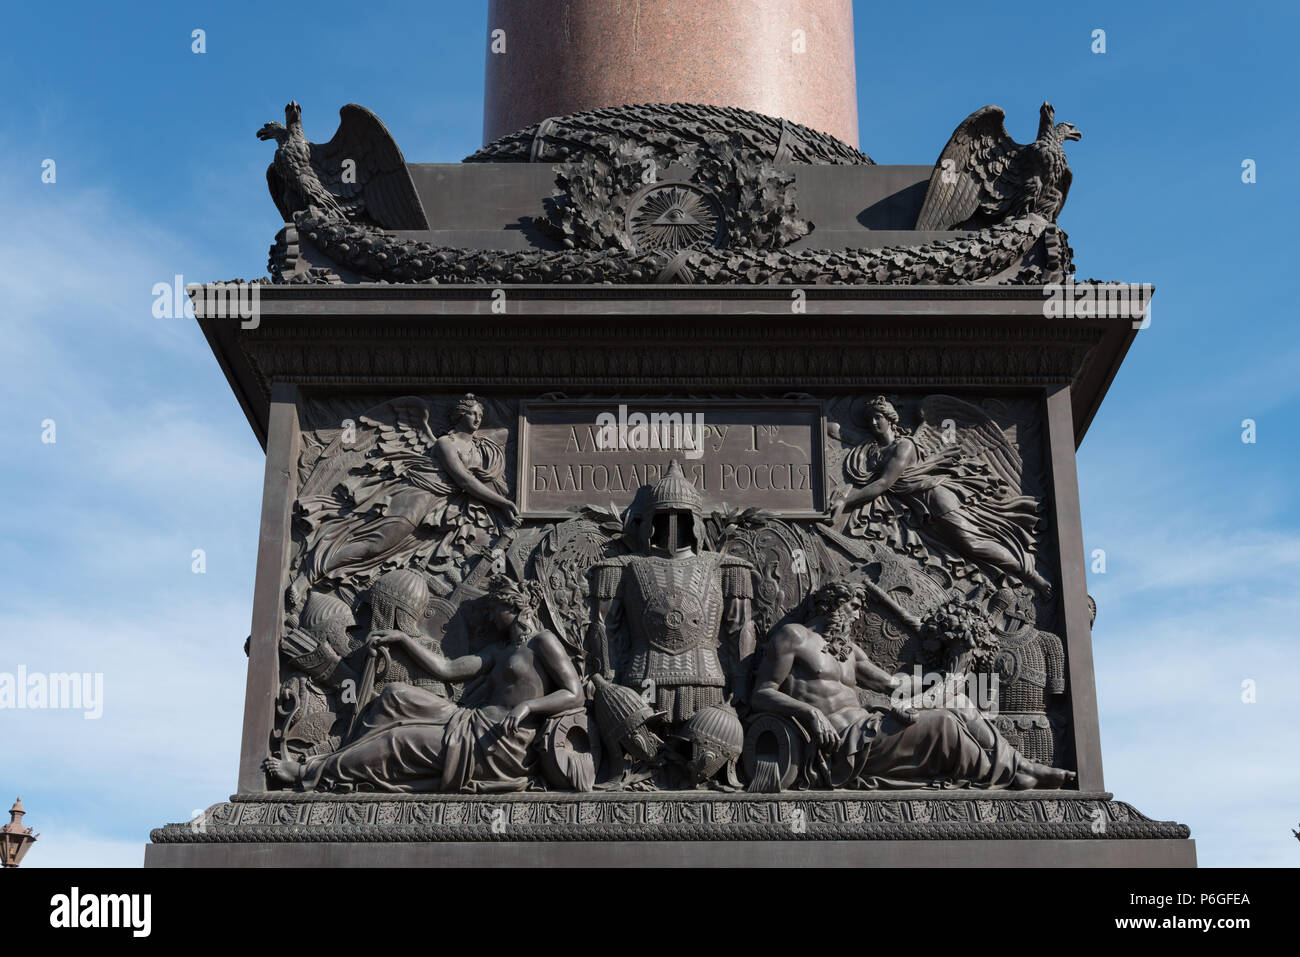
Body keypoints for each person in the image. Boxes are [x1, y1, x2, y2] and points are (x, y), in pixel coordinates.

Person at [264, 575, 582, 793]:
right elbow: (447, 669)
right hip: (473, 722)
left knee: (399, 741)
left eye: (494, 610)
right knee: (395, 695)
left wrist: (529, 706)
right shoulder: (499, 651)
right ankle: (344, 755)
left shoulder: (543, 642)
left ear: (513, 607)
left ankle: (311, 773)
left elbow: (574, 693)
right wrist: (402, 639)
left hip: (500, 744)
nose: (489, 619)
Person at [750, 581, 1074, 790]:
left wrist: (952, 674)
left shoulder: (849, 651)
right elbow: (762, 692)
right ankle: (1010, 775)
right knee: (943, 724)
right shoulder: (794, 637)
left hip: (869, 729)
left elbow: (894, 685)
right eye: (852, 607)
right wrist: (809, 713)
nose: (857, 615)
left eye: (860, 608)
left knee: (959, 705)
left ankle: (1019, 768)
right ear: (829, 605)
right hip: (843, 744)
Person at [827, 396, 1051, 597]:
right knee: (961, 549)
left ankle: (1031, 576)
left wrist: (845, 501)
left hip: (935, 499)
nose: (873, 423)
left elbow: (884, 483)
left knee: (972, 544)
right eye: (870, 420)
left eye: (878, 417)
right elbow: (841, 433)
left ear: (890, 419)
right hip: (918, 510)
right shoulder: (876, 449)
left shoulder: (904, 446)